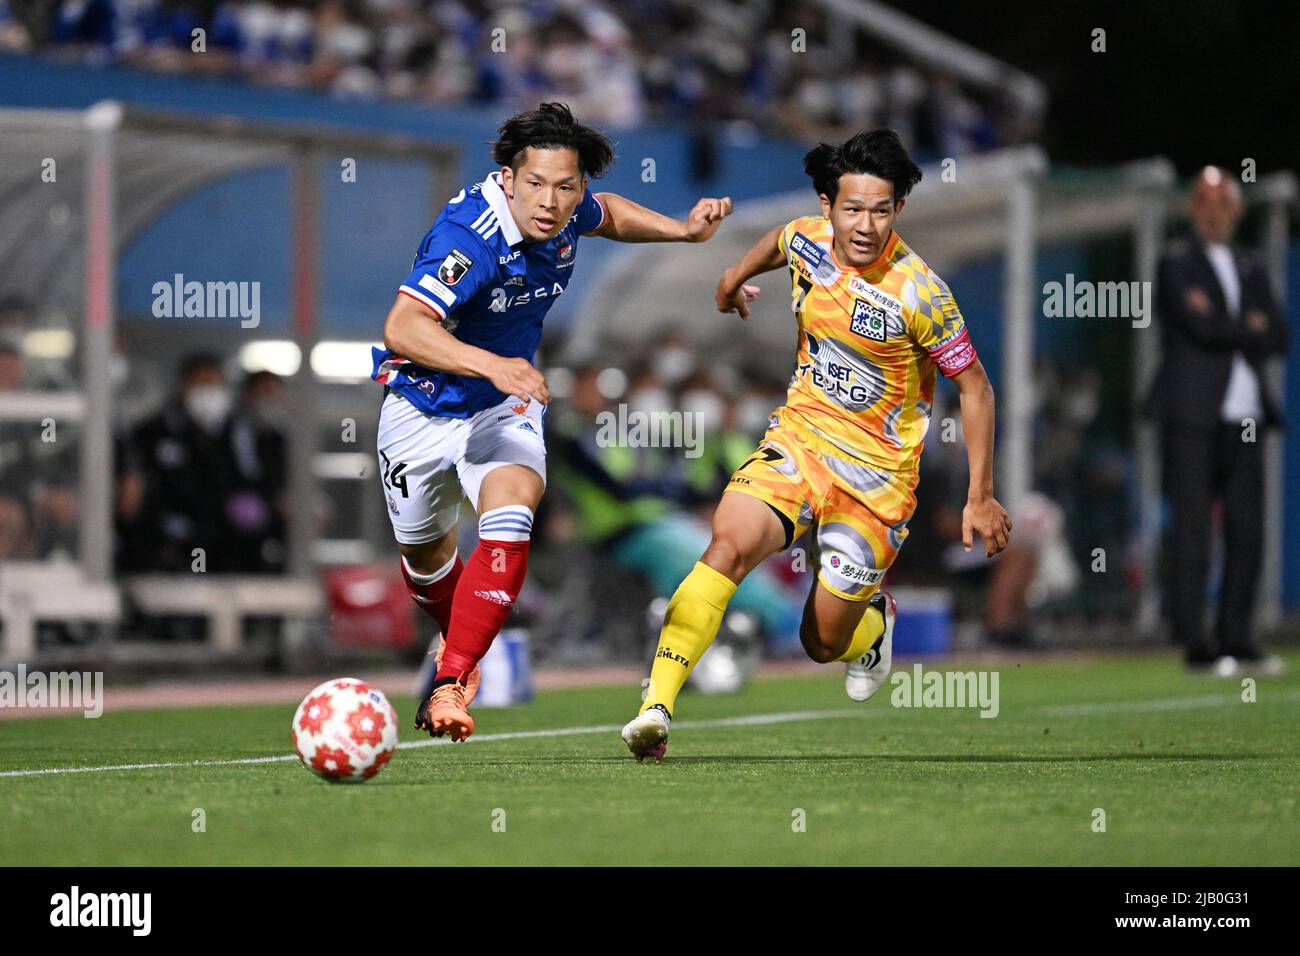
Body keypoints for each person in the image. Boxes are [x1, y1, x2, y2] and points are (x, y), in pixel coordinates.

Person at [620, 128, 1012, 761]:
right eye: (851, 208)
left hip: (878, 482)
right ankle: (655, 708)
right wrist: (731, 278)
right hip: (799, 441)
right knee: (726, 544)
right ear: (828, 206)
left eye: (880, 210)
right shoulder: (809, 237)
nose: (864, 224)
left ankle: (872, 627)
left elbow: (975, 388)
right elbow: (779, 241)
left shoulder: (922, 293)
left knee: (821, 641)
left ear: (898, 211)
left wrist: (981, 495)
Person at [374, 102, 734, 742]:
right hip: (421, 404)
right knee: (427, 561)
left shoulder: (568, 213)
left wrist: (682, 231)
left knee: (511, 517)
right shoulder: (472, 237)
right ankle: (454, 643)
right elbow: (403, 326)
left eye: (565, 187)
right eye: (535, 184)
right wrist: (494, 365)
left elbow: (612, 214)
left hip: (500, 403)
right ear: (507, 179)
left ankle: (453, 678)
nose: (550, 201)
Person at [1145, 166, 1288, 676]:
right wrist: (1246, 326)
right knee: (1192, 529)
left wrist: (1242, 327)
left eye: (1221, 203)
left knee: (1248, 529)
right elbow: (1198, 326)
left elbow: (1278, 335)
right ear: (1191, 210)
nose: (1211, 214)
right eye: (1202, 203)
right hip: (1191, 412)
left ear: (1236, 210)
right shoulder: (1176, 261)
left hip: (1244, 416)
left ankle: (1238, 636)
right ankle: (1195, 641)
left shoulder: (1251, 265)